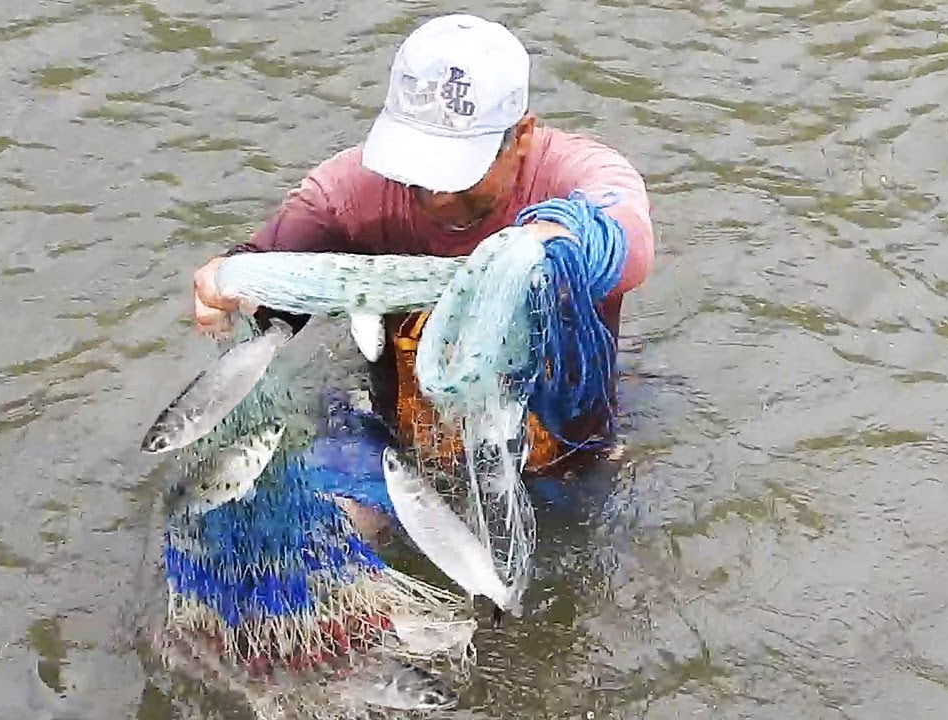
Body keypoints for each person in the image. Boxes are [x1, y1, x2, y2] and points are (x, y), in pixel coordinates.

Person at [190, 13, 654, 484]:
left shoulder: (577, 177)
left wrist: (553, 241)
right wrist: (226, 281)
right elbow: (273, 260)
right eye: (420, 167)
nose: (438, 196)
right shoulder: (355, 192)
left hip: (564, 455)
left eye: (460, 171)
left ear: (522, 137)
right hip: (405, 448)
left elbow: (628, 240)